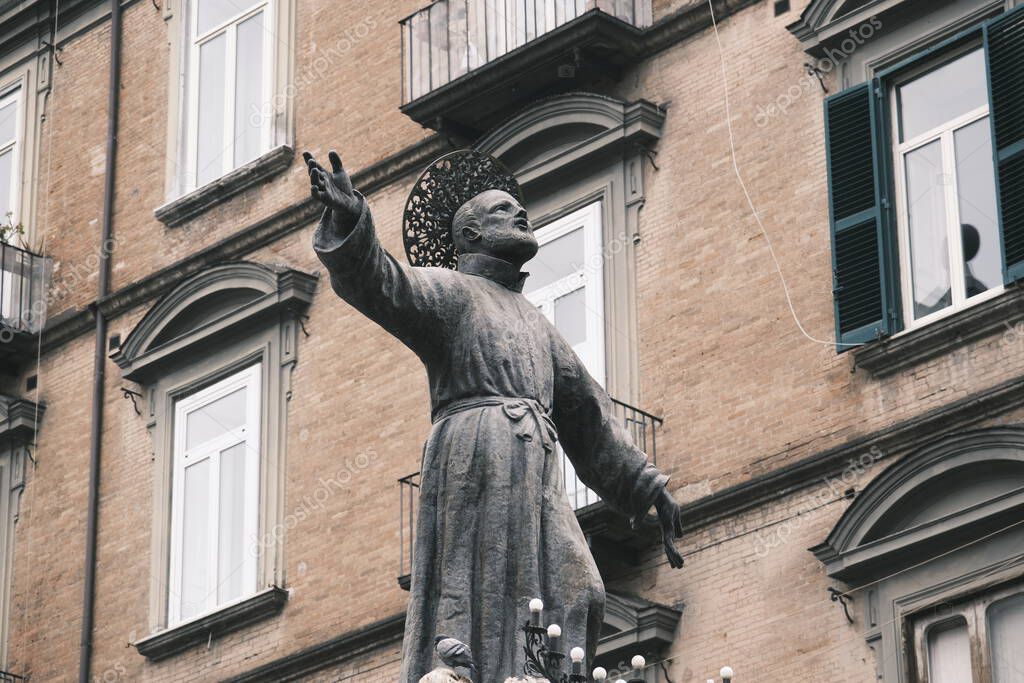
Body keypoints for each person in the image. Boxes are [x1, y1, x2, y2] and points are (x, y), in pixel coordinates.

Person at [304, 149, 685, 682]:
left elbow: (589, 415)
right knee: (472, 587)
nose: (520, 214)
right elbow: (384, 283)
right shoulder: (451, 292)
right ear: (470, 236)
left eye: (519, 208)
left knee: (582, 589)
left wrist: (647, 487)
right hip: (474, 456)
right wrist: (350, 216)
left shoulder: (537, 322)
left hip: (534, 469)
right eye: (503, 210)